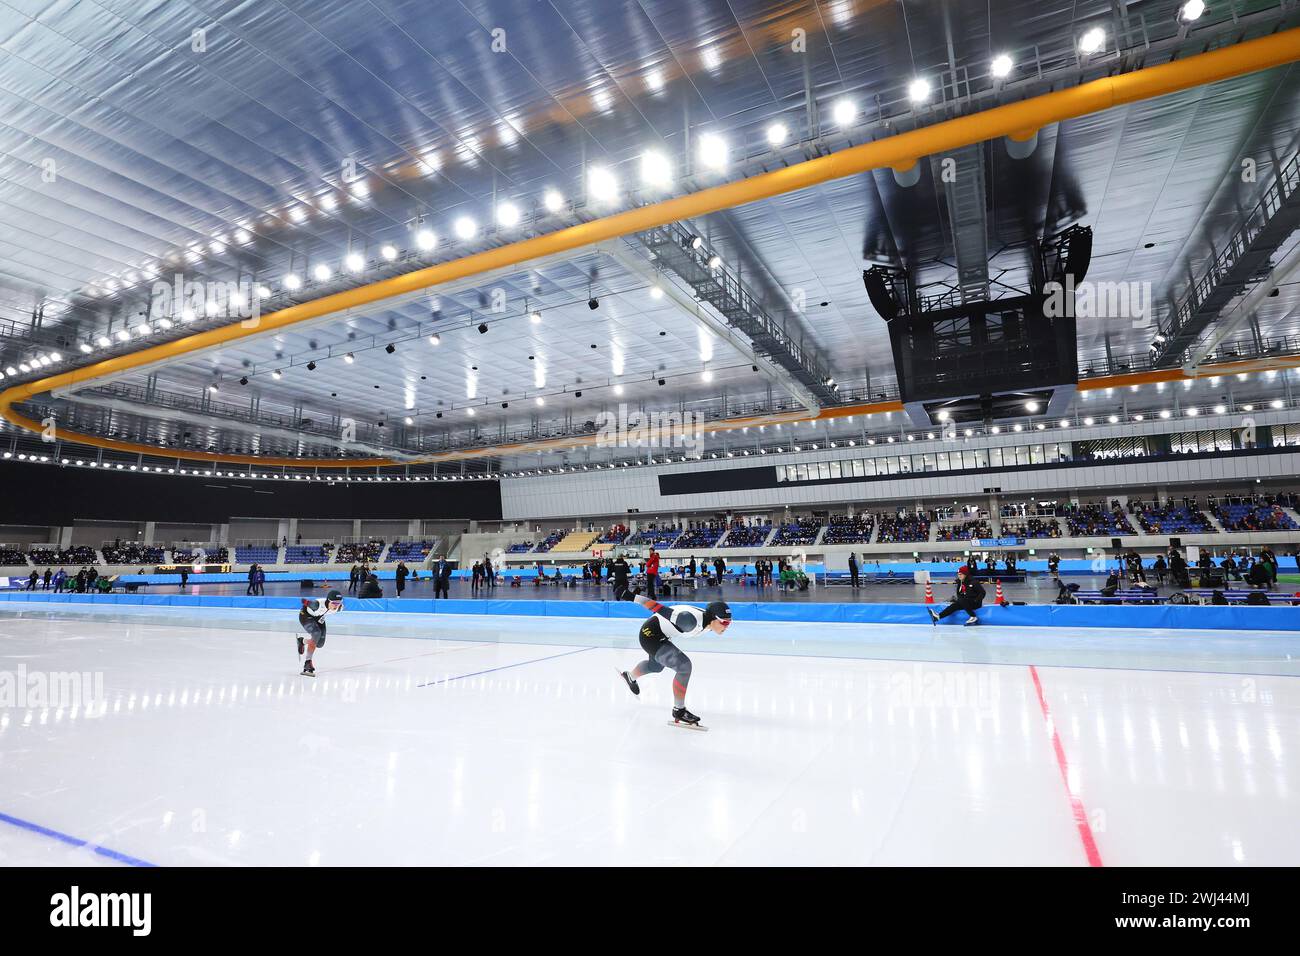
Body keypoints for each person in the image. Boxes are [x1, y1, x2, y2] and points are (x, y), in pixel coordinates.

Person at [618, 592, 732, 728]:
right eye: (724, 622)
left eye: (729, 623)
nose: (727, 626)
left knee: (655, 667)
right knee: (684, 667)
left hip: (662, 635)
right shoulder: (689, 621)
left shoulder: (709, 621)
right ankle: (679, 710)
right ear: (713, 618)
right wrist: (631, 596)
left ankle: (629, 676)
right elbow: (656, 607)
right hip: (650, 635)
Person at [297, 589, 343, 677]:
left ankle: (302, 641)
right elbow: (303, 601)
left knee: (319, 644)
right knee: (316, 633)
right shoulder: (316, 605)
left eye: (339, 603)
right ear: (328, 601)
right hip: (306, 616)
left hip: (319, 618)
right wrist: (306, 602)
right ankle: (308, 662)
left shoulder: (340, 608)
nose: (336, 605)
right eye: (334, 603)